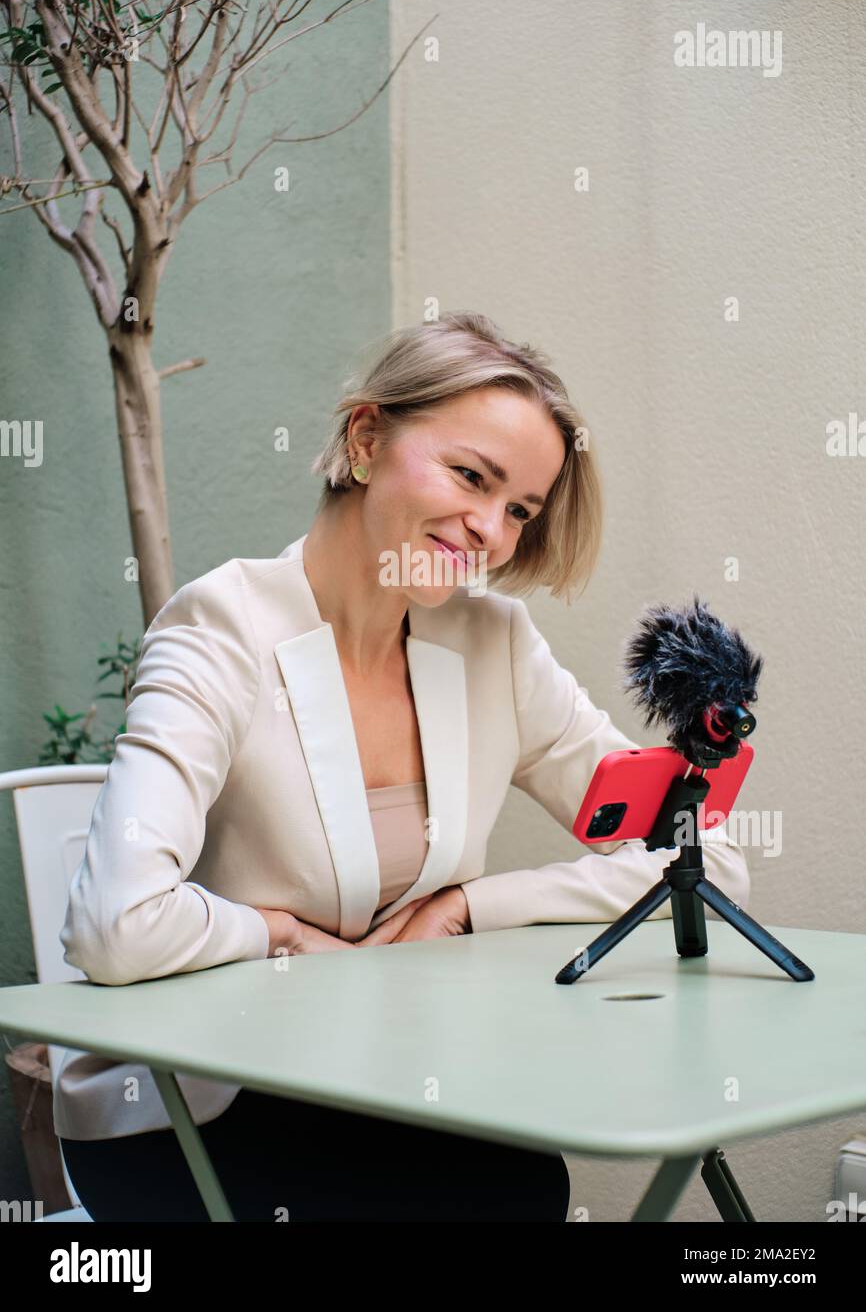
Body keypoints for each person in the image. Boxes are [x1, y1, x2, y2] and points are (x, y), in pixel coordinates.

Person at [57, 311, 749, 1221]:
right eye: (472, 476)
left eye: (520, 511)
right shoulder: (220, 629)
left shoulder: (493, 644)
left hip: (391, 1079)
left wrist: (469, 907)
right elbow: (115, 924)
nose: (489, 532)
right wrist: (280, 934)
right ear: (365, 437)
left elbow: (705, 862)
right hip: (201, 1105)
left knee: (522, 1182)